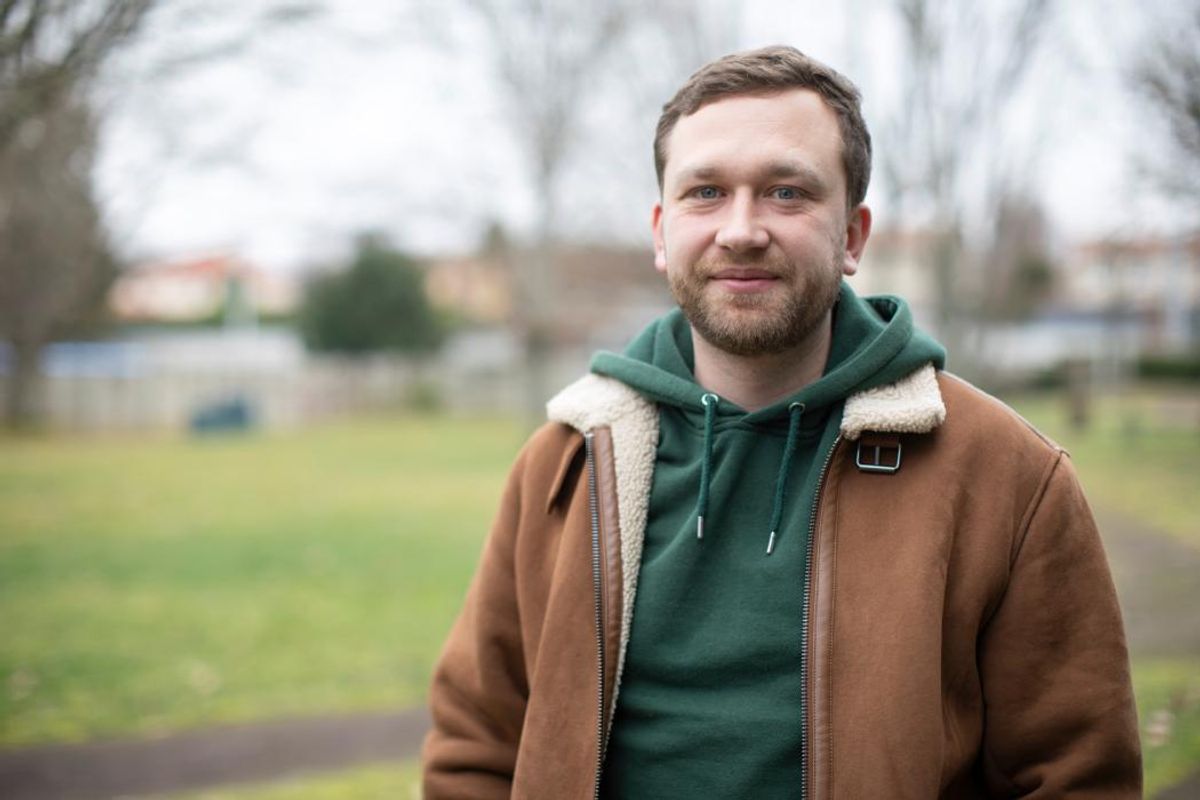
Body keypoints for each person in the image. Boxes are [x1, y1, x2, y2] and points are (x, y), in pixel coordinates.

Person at [422, 45, 1142, 799]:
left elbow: (1076, 776)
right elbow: (476, 748)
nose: (741, 229)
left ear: (854, 236)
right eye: (706, 192)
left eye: (786, 193)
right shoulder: (564, 463)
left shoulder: (1007, 477)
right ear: (662, 233)